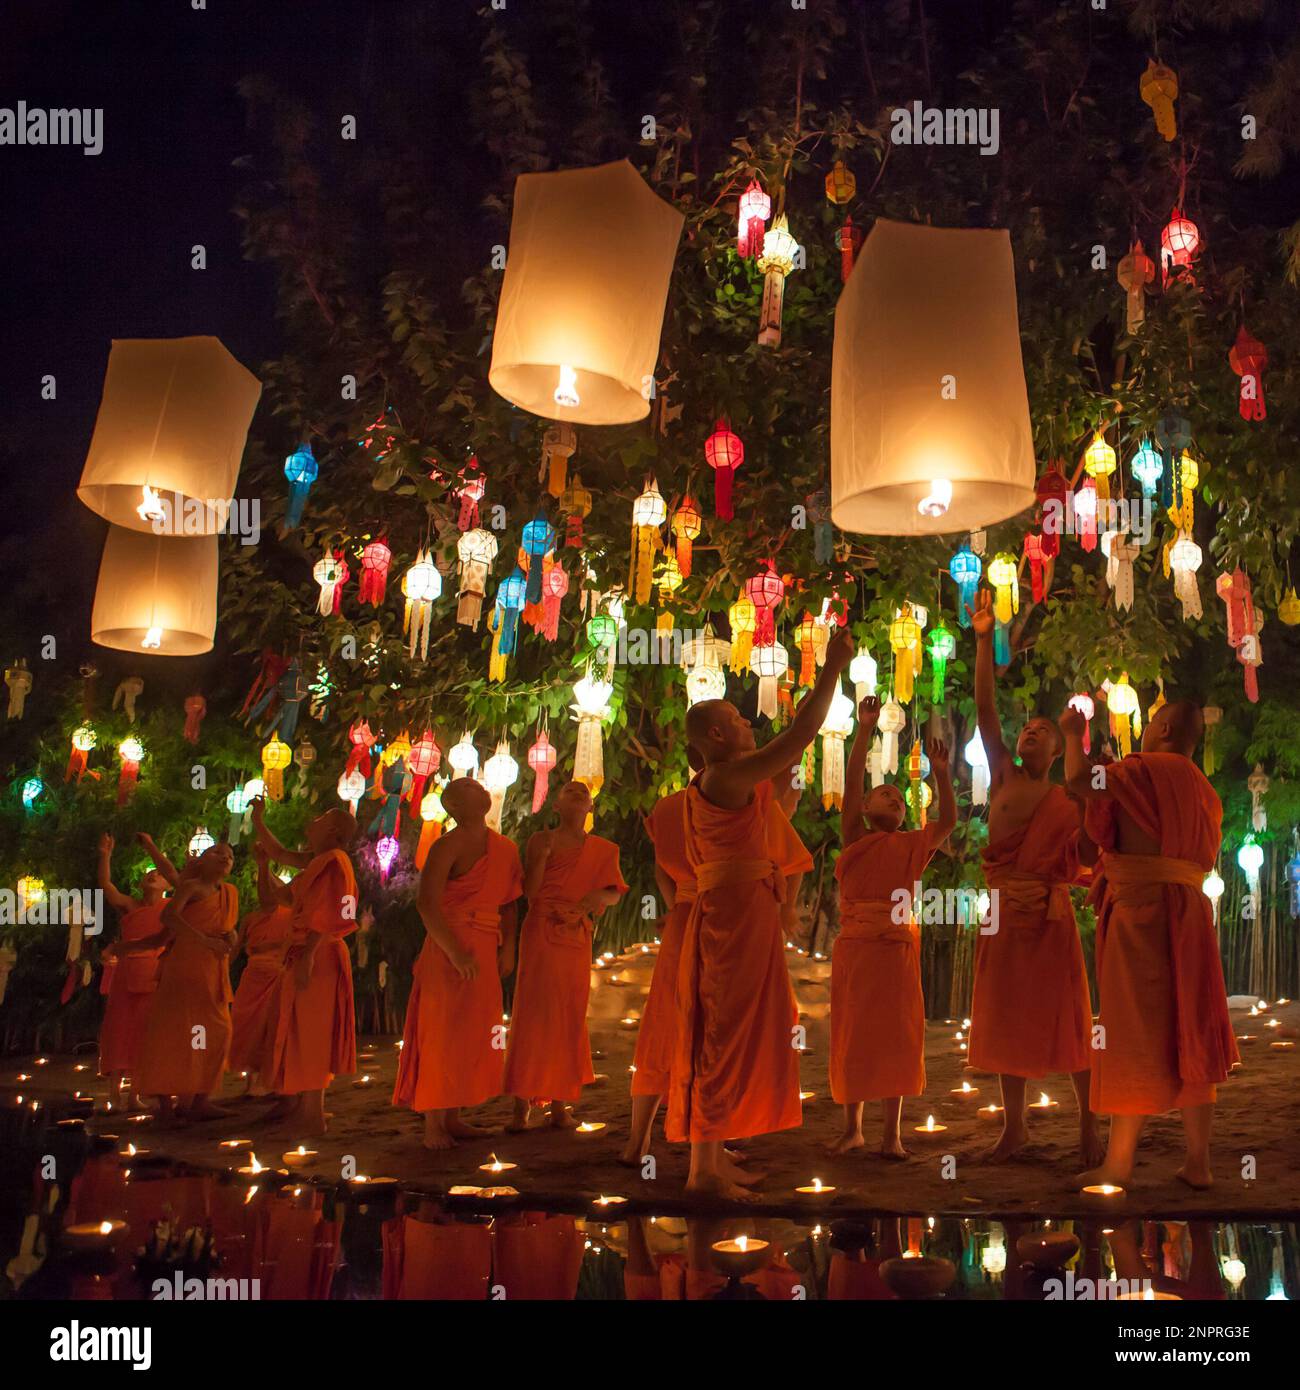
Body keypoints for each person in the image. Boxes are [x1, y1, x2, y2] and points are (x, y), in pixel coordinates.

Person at [667, 623, 855, 1198]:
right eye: (742, 720)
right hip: (731, 918)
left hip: (742, 910)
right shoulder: (723, 775)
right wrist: (831, 665)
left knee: (736, 1025)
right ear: (719, 735)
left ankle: (716, 1156)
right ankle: (702, 1171)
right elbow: (799, 735)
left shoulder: (725, 782)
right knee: (723, 1028)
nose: (751, 723)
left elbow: (775, 805)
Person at [1062, 698, 1235, 1190]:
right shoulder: (1205, 791)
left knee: (1129, 1030)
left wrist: (1074, 734)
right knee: (1192, 1027)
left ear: (1160, 726)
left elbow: (1080, 782)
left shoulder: (1140, 770)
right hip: (1191, 916)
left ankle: (1118, 1165)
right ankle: (1198, 1162)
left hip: (1141, 914)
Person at [620, 753, 811, 1168]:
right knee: (717, 1032)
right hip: (725, 919)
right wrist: (786, 909)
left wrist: (677, 908)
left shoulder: (671, 806)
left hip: (686, 918)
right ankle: (706, 1149)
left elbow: (662, 873)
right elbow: (793, 862)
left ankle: (639, 1143)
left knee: (663, 1030)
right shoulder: (750, 802)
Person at [967, 590, 1101, 1165]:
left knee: (1068, 1016)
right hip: (1002, 912)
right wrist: (981, 641)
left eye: (1043, 731)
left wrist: (1077, 746)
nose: (1030, 733)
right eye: (1028, 730)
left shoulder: (1070, 794)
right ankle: (1014, 1128)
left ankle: (1089, 1130)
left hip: (1049, 916)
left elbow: (1092, 848)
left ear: (1059, 745)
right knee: (1002, 1017)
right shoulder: (1001, 774)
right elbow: (985, 709)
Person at [830, 699, 956, 1158]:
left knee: (899, 1037)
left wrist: (940, 773)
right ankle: (853, 1128)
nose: (893, 798)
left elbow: (947, 821)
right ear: (864, 808)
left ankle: (892, 1135)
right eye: (884, 794)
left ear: (905, 816)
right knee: (854, 1035)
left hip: (896, 949)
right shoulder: (855, 838)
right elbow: (850, 784)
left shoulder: (912, 845)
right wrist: (863, 731)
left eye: (900, 799)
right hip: (856, 950)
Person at [393, 778, 524, 1149]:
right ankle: (434, 1122)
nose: (480, 790)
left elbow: (510, 903)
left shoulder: (505, 848)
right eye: (468, 789)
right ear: (454, 805)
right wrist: (453, 951)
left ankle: (454, 1115)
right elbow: (427, 904)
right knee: (441, 1030)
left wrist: (509, 946)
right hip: (448, 945)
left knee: (473, 1031)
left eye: (481, 787)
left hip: (485, 945)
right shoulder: (446, 846)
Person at [502, 780, 627, 1130]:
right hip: (542, 929)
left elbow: (614, 893)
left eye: (583, 794)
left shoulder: (603, 850)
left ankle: (559, 1105)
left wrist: (597, 899)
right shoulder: (542, 841)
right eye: (569, 791)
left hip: (576, 934)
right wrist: (540, 860)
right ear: (555, 806)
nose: (577, 794)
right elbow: (529, 891)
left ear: (590, 809)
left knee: (569, 1015)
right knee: (533, 1012)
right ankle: (520, 1105)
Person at [250, 800, 360, 1136]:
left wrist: (310, 953)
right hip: (304, 952)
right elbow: (281, 890)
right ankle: (302, 1106)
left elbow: (333, 911)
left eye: (321, 817)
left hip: (320, 953)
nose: (311, 822)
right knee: (297, 1027)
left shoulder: (334, 862)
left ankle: (314, 1112)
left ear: (334, 832)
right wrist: (258, 826)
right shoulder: (316, 862)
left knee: (313, 1029)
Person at [130, 842, 239, 1120]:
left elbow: (226, 928)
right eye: (217, 852)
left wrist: (231, 937)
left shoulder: (229, 893)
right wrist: (202, 939)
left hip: (213, 969)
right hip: (185, 966)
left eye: (229, 855)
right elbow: (169, 916)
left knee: (217, 1032)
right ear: (201, 861)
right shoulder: (191, 887)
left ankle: (200, 1099)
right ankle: (165, 1105)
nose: (225, 857)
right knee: (174, 1034)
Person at [95, 833, 170, 1107]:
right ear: (140, 883)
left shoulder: (170, 908)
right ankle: (114, 1091)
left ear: (166, 884)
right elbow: (106, 885)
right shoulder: (130, 905)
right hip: (126, 973)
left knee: (144, 1031)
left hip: (155, 972)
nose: (152, 876)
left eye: (157, 874)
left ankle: (136, 1093)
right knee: (119, 1029)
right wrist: (105, 854)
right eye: (148, 874)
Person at [228, 841, 292, 1093]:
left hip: (278, 973)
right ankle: (249, 1079)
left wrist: (264, 865)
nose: (267, 892)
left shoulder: (289, 914)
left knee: (272, 1026)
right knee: (247, 1026)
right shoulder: (251, 918)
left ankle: (274, 1080)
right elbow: (236, 948)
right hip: (254, 975)